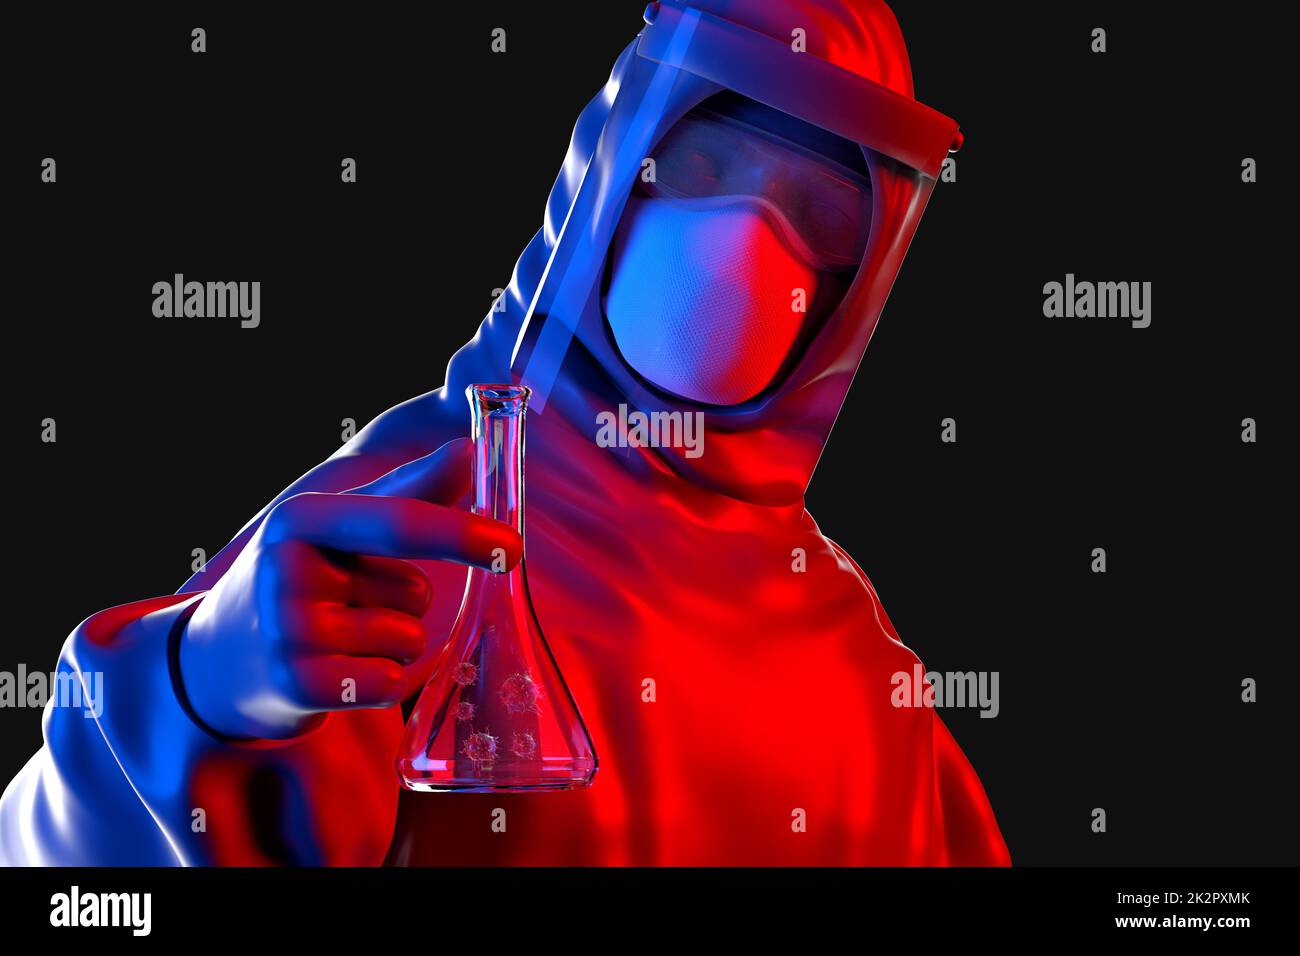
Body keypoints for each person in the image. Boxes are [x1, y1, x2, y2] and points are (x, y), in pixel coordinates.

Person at [0, 0, 1009, 865]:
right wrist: (204, 693)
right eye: (701, 165)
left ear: (860, 283)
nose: (747, 238)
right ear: (608, 172)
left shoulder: (859, 673)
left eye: (823, 219)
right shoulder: (407, 531)